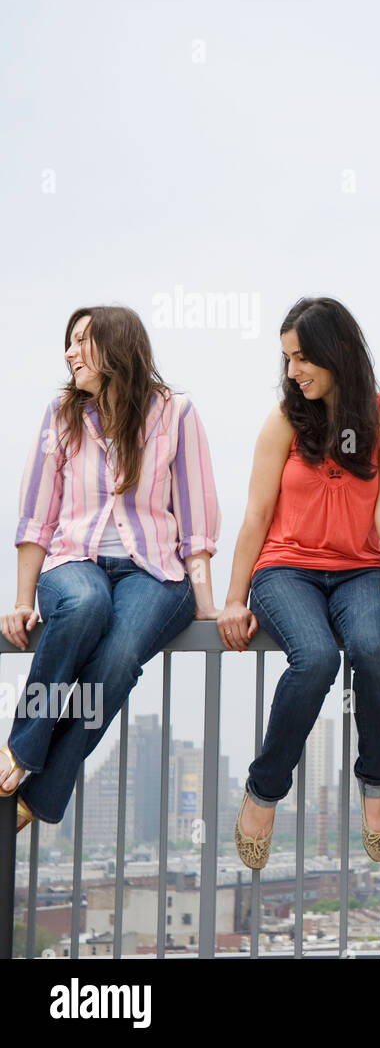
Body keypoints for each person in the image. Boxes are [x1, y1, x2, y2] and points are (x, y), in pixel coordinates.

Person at [218, 298, 380, 869]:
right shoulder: (284, 419)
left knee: (372, 650)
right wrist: (233, 599)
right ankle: (265, 791)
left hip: (363, 570)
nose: (292, 372)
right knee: (314, 658)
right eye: (286, 360)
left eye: (302, 358)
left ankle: (377, 783)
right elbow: (256, 515)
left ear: (336, 352)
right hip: (286, 569)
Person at [1, 307, 220, 830]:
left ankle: (42, 794)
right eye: (68, 343)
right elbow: (37, 516)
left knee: (119, 657)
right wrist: (22, 600)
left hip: (155, 572)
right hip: (75, 561)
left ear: (115, 347)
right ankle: (22, 748)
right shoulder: (62, 413)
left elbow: (196, 522)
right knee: (85, 605)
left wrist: (207, 603)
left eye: (81, 341)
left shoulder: (176, 413)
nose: (70, 353)